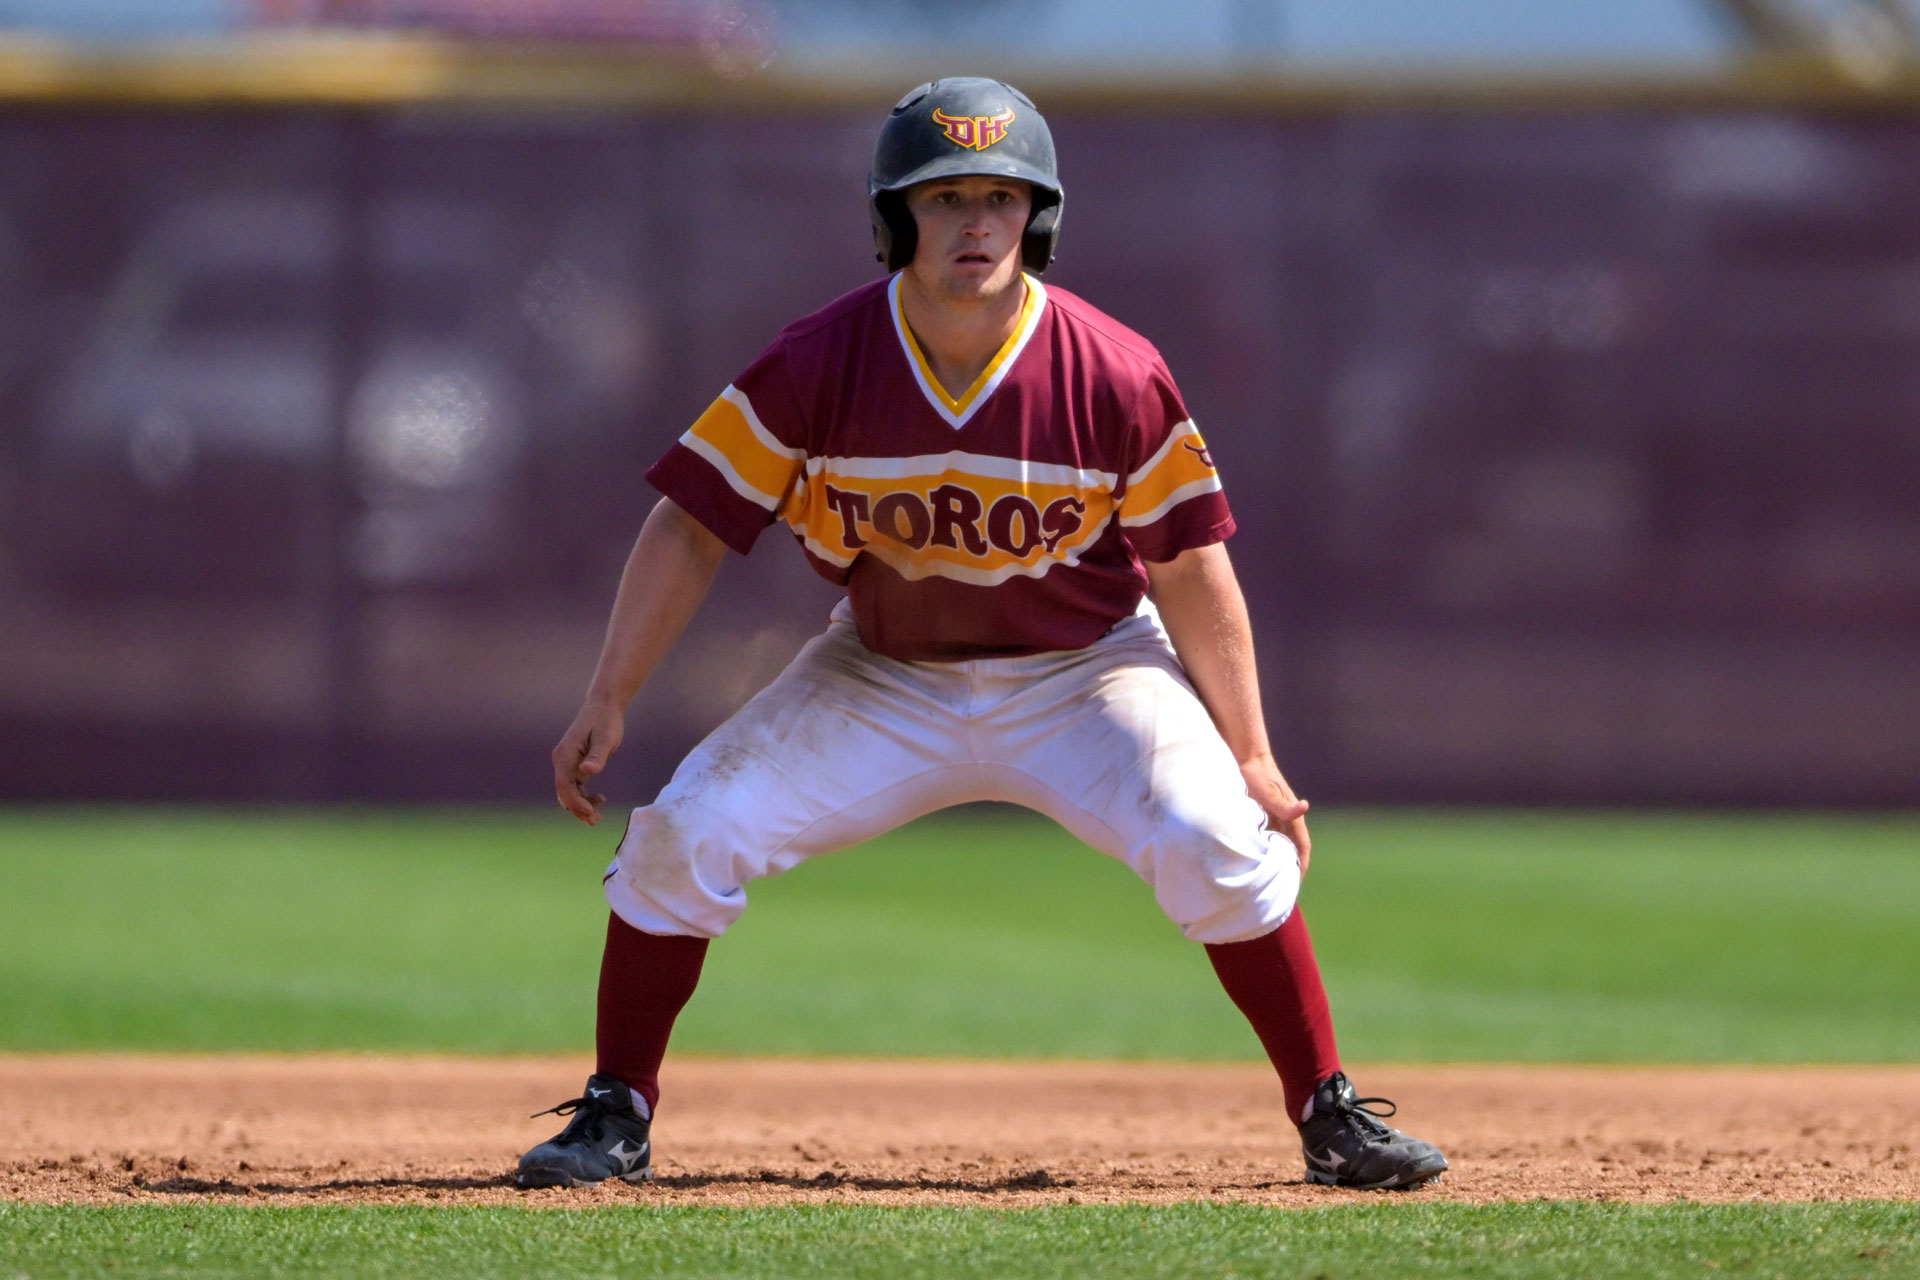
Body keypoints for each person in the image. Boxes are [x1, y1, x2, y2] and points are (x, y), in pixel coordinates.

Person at [515, 77, 1447, 1193]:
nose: (975, 223)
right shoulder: (823, 359)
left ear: (1036, 216)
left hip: (1089, 671)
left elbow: (1192, 564)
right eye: (945, 195)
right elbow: (692, 522)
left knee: (1215, 839)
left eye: (1001, 196)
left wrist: (1251, 752)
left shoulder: (1110, 367)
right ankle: (617, 1108)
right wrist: (609, 691)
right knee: (682, 831)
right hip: (882, 671)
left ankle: (1327, 1108)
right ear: (893, 218)